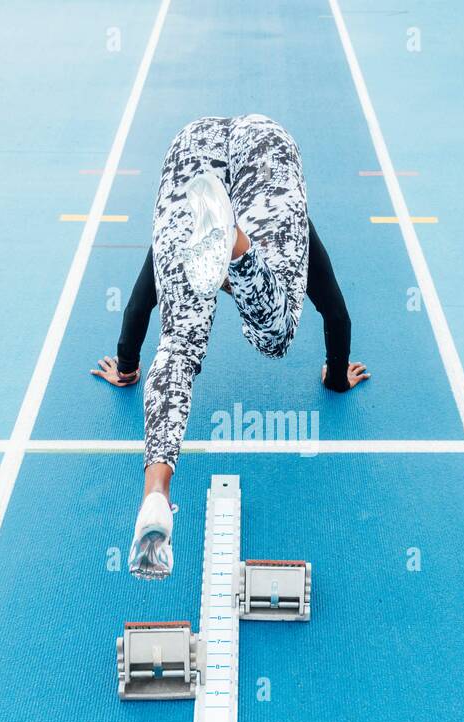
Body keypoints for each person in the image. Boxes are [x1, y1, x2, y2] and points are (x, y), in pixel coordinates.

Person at [93, 114, 367, 580]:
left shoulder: (185, 231)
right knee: (275, 335)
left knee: (178, 344)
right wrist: (337, 378)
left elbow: (140, 302)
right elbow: (336, 313)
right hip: (267, 149)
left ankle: (155, 493)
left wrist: (126, 365)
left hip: (190, 152)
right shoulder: (293, 222)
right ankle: (239, 246)